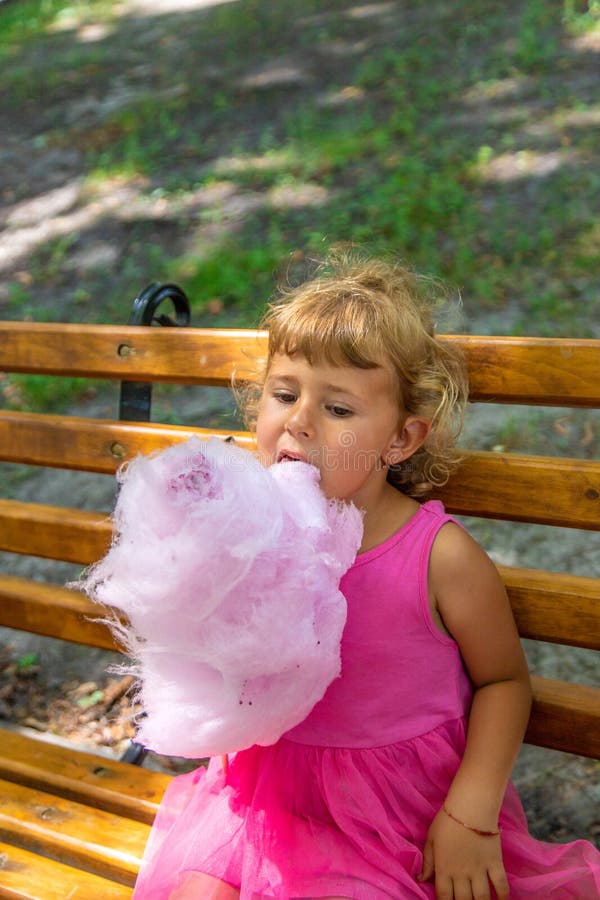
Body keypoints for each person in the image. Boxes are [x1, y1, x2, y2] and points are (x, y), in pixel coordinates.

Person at [132, 253, 600, 899]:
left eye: (339, 409)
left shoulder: (438, 558)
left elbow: (504, 681)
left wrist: (471, 812)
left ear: (401, 440)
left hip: (393, 819)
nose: (298, 421)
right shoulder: (246, 539)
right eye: (285, 394)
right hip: (264, 798)